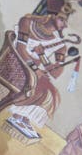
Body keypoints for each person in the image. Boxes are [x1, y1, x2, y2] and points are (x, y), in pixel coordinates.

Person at [6, 9, 74, 138]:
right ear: (52, 15)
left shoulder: (60, 44)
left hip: (32, 72)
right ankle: (17, 117)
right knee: (38, 86)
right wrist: (35, 69)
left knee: (52, 93)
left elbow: (56, 74)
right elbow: (20, 49)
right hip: (15, 63)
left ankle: (24, 119)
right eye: (62, 19)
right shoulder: (27, 22)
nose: (65, 25)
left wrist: (42, 56)